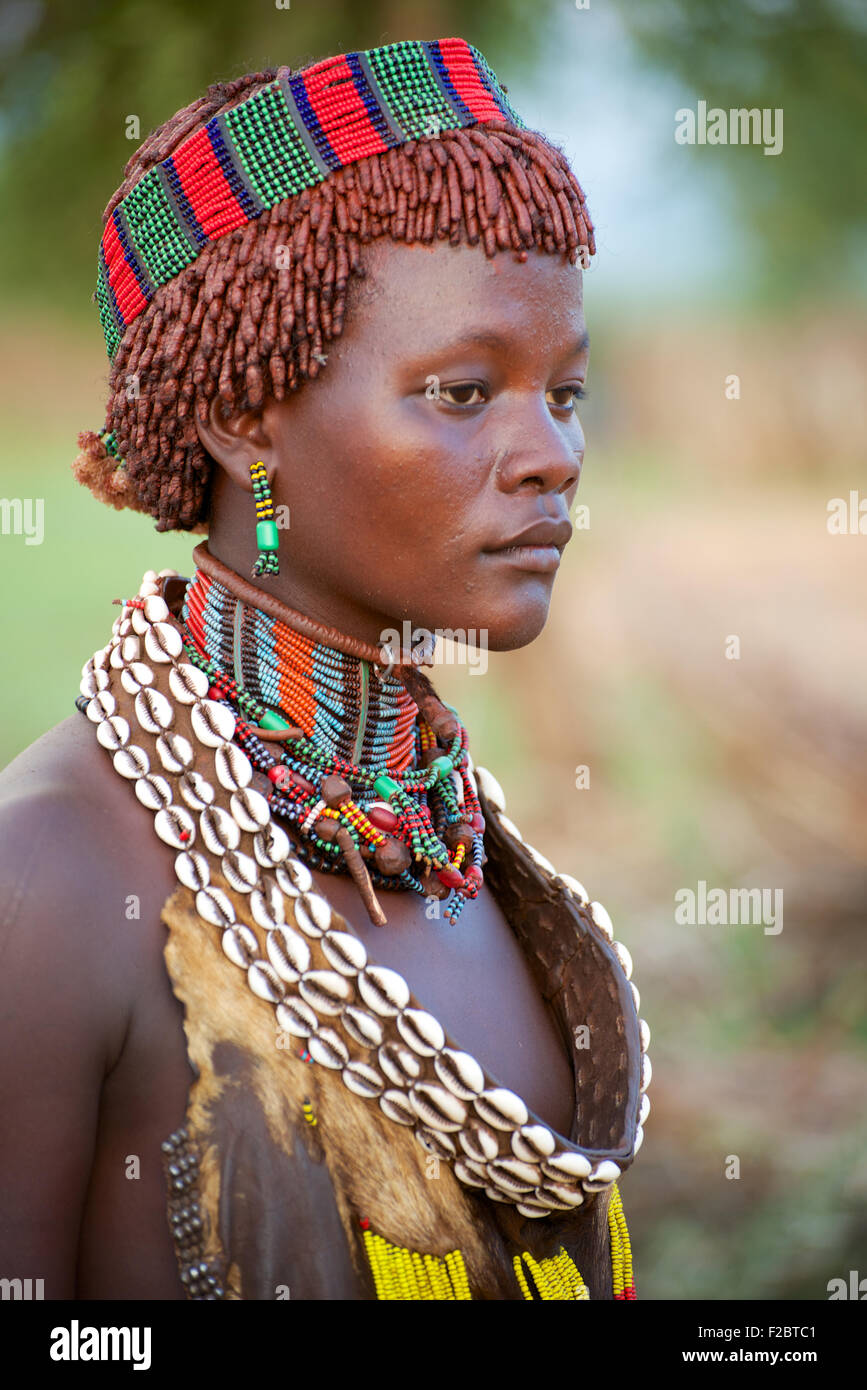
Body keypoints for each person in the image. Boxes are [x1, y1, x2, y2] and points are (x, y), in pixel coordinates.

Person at [0, 36, 649, 1300]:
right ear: (247, 418)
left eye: (565, 392)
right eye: (465, 392)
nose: (553, 453)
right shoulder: (52, 882)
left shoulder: (457, 842)